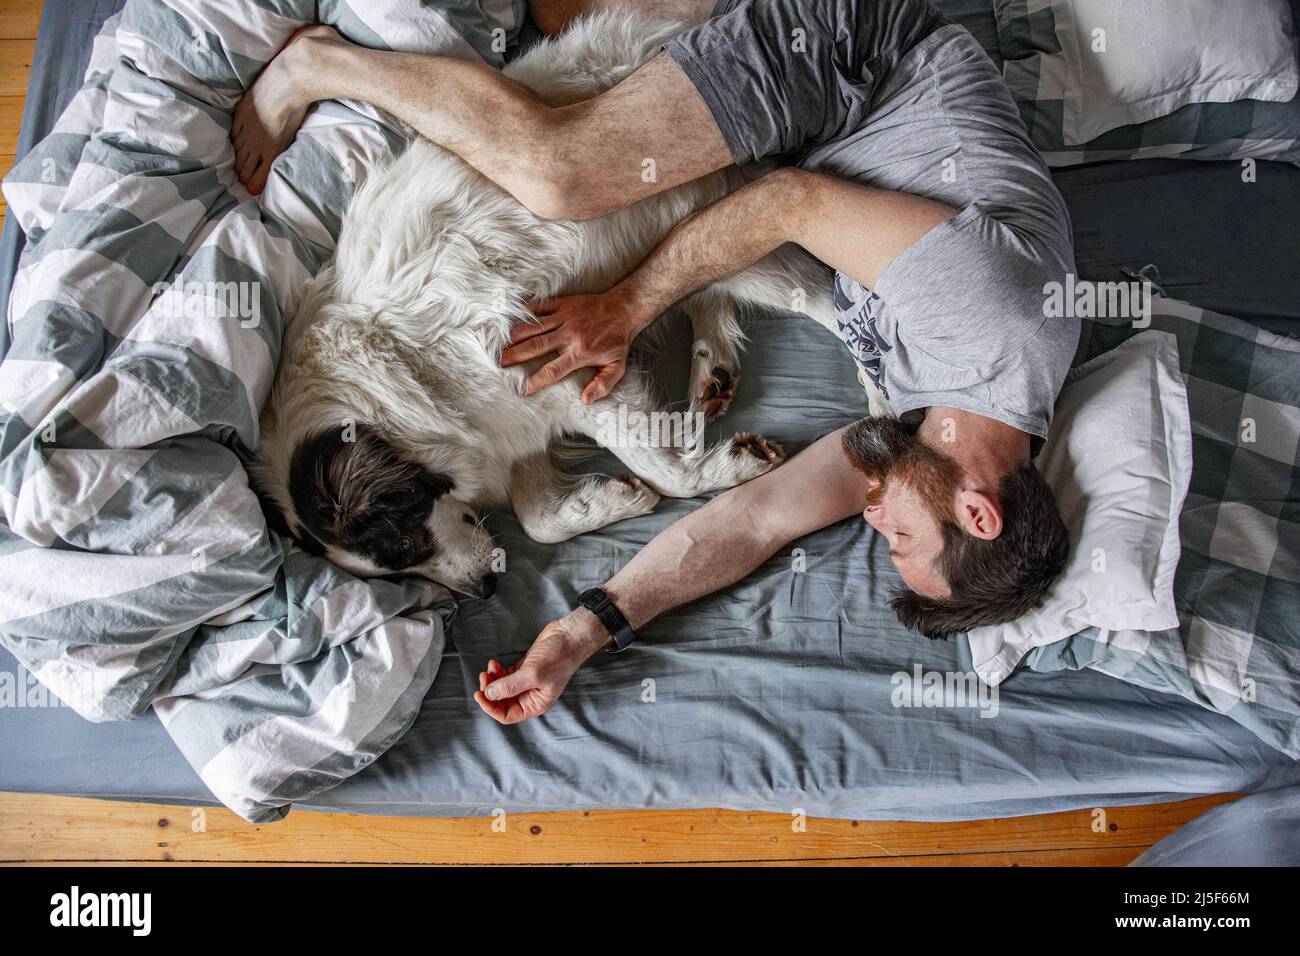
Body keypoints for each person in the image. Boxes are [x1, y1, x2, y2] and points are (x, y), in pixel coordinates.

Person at [233, 0, 1078, 725]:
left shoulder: (929, 435)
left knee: (580, 65)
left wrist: (580, 633)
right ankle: (321, 62)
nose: (871, 523)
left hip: (800, 146)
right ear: (979, 512)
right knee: (559, 176)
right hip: (849, 65)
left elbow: (755, 524)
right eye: (898, 537)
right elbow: (790, 203)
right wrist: (626, 308)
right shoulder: (997, 324)